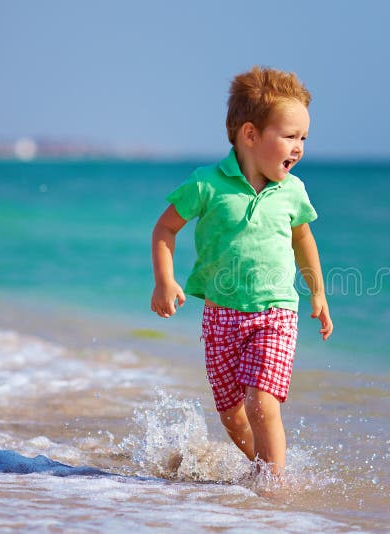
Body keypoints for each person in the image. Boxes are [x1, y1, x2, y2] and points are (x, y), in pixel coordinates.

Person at [149, 66, 333, 478]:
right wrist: (165, 280)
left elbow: (302, 239)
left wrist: (317, 293)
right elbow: (165, 228)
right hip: (221, 318)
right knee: (233, 417)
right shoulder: (207, 185)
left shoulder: (292, 191)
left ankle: (275, 485)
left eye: (304, 138)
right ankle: (261, 470)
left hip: (275, 313)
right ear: (250, 135)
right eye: (289, 136)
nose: (299, 147)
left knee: (262, 404)